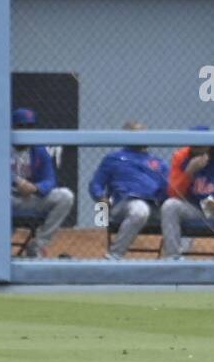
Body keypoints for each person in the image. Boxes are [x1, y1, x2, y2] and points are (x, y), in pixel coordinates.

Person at [88, 122, 168, 260]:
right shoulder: (113, 159)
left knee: (175, 211)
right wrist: (101, 197)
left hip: (155, 205)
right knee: (140, 209)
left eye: (145, 134)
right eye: (138, 134)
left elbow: (169, 187)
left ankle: (173, 258)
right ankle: (114, 256)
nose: (144, 137)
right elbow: (96, 184)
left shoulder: (158, 162)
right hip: (125, 203)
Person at [160, 139, 214, 259]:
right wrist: (189, 172)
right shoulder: (181, 157)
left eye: (201, 146)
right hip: (194, 208)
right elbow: (173, 193)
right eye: (194, 146)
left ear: (210, 145)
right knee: (170, 205)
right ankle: (173, 258)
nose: (197, 150)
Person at [10, 108, 74, 258]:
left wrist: (35, 188)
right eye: (22, 126)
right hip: (5, 199)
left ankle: (38, 245)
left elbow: (50, 180)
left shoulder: (38, 150)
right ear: (12, 127)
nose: (26, 131)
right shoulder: (2, 147)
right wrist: (17, 181)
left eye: (30, 127)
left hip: (29, 199)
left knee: (65, 196)